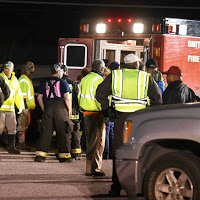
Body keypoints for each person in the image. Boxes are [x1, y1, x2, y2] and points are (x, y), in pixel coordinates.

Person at [96, 54, 162, 198]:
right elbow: (157, 98)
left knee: (119, 151)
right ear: (136, 63)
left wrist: (107, 109)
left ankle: (116, 187)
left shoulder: (115, 75)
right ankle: (139, 186)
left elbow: (100, 93)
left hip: (121, 119)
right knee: (140, 151)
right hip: (140, 120)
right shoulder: (145, 77)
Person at [34, 64, 73, 162]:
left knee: (45, 132)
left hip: (48, 108)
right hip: (60, 108)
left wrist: (44, 108)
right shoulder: (63, 82)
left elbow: (39, 97)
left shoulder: (45, 82)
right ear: (59, 72)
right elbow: (67, 98)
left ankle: (40, 156)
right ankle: (64, 156)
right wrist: (69, 110)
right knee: (63, 131)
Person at [78, 59, 106, 177]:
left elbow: (78, 95)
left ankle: (89, 168)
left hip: (86, 113)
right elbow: (99, 98)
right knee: (98, 143)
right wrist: (104, 110)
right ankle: (96, 168)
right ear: (102, 69)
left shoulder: (85, 78)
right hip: (96, 114)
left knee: (90, 141)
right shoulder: (99, 80)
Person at [0, 61, 25, 154]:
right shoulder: (0, 77)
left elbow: (18, 94)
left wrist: (20, 107)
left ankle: (12, 147)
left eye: (9, 68)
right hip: (1, 108)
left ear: (12, 69)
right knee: (0, 128)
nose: (7, 69)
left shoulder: (15, 80)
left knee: (12, 128)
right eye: (6, 68)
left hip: (11, 108)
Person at [61, 64, 81, 160]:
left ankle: (64, 152)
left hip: (63, 111)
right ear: (67, 72)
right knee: (75, 131)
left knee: (64, 132)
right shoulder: (73, 83)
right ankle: (76, 153)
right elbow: (77, 97)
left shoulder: (59, 82)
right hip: (74, 111)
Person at [103, 61, 120, 160]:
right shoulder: (118, 79)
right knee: (112, 133)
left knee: (107, 132)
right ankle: (112, 154)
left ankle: (106, 154)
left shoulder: (106, 79)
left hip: (108, 109)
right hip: (115, 109)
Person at [17, 61, 36, 150]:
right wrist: (24, 107)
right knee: (22, 125)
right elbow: (23, 95)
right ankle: (21, 144)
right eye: (33, 68)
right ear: (31, 69)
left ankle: (22, 143)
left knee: (24, 125)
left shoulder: (25, 78)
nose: (34, 69)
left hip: (25, 106)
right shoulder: (24, 79)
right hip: (23, 106)